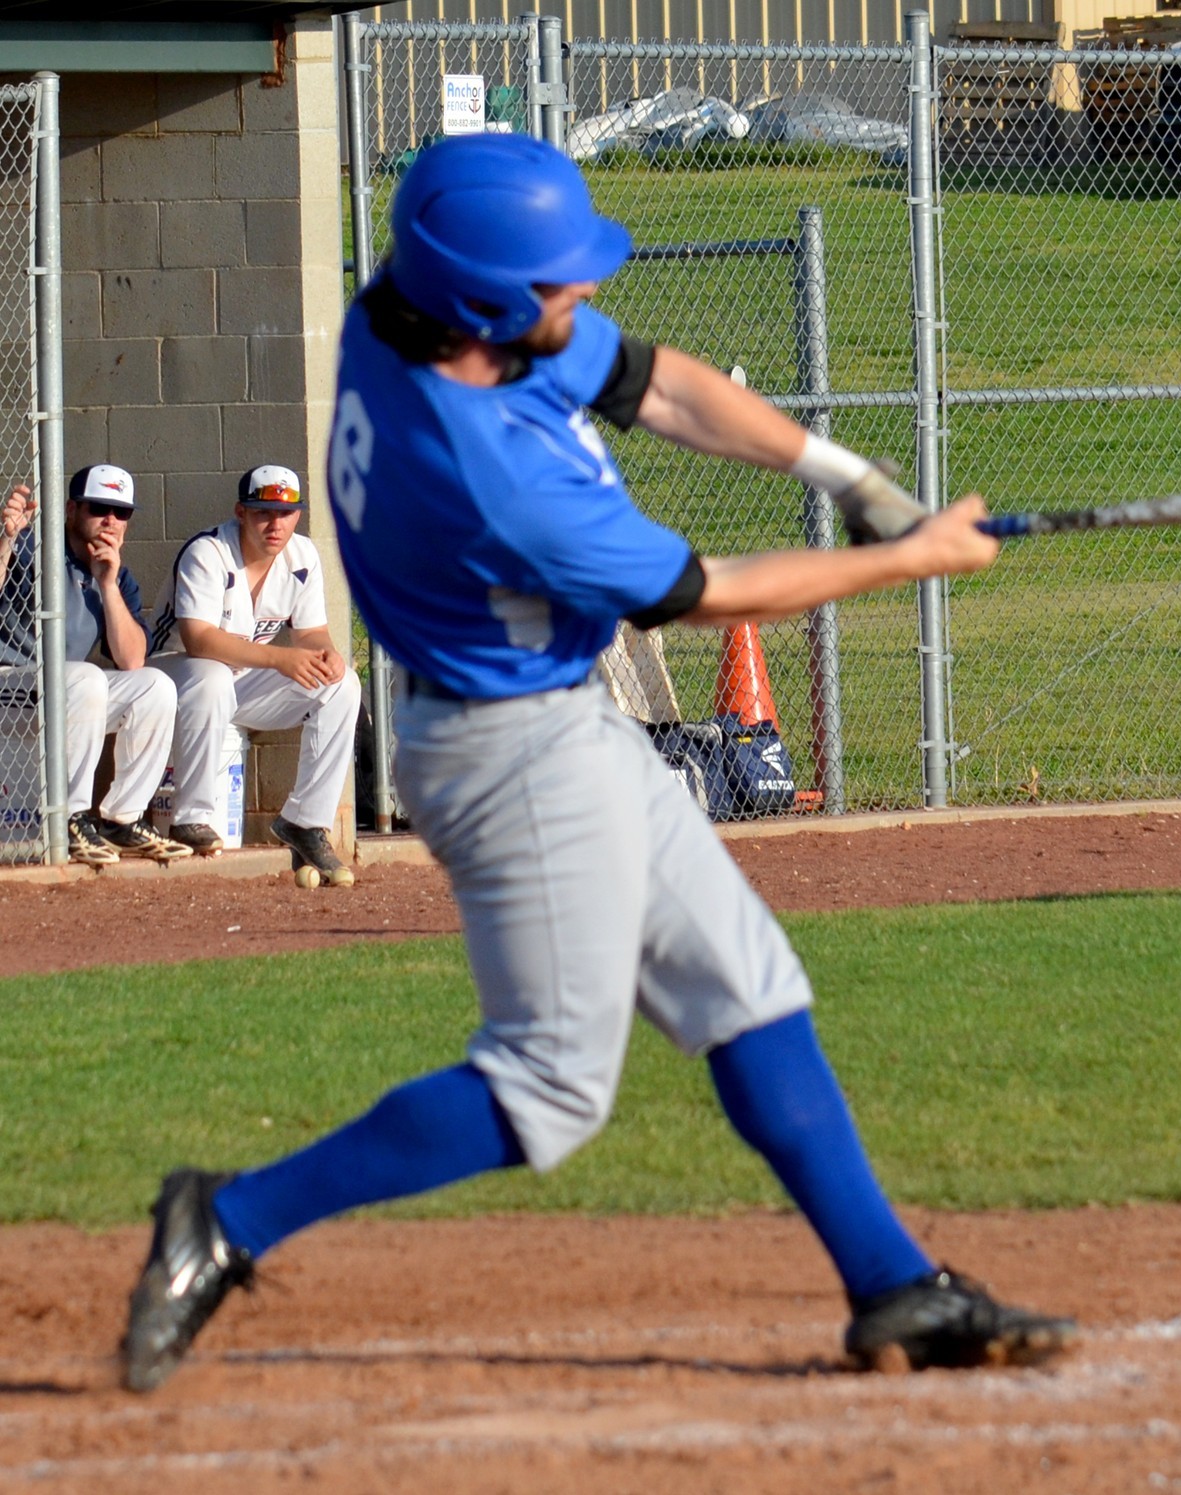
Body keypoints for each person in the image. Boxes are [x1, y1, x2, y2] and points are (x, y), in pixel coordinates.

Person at [120, 134, 1075, 1392]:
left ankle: (892, 1282)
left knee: (746, 984)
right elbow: (706, 589)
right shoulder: (488, 470)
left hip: (561, 725)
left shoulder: (404, 311)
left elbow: (658, 383)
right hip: (508, 751)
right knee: (550, 1088)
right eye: (552, 287)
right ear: (484, 308)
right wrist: (910, 559)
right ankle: (229, 1218)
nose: (578, 303)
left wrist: (851, 477)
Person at [149, 466, 360, 879]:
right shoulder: (208, 553)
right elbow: (199, 641)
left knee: (343, 685)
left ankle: (304, 821)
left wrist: (327, 655)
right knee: (211, 677)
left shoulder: (302, 555)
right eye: (263, 512)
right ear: (241, 512)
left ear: (297, 516)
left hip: (240, 678)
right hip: (172, 675)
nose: (275, 524)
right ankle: (191, 817)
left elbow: (312, 631)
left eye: (285, 513)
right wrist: (283, 659)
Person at [0, 467, 190, 864]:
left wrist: (107, 584)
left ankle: (123, 819)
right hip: (10, 683)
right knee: (85, 678)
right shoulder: (31, 547)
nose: (111, 520)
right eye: (100, 508)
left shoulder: (118, 577)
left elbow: (132, 659)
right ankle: (69, 818)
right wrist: (6, 539)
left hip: (63, 694)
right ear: (71, 509)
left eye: (121, 513)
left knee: (155, 686)